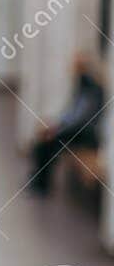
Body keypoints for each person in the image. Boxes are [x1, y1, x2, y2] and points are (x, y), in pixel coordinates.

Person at [28, 52, 106, 196]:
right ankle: (38, 180)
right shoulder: (82, 85)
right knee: (43, 139)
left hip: (84, 134)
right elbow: (71, 112)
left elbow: (81, 119)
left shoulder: (92, 89)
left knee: (48, 142)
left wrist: (58, 130)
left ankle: (42, 185)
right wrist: (57, 124)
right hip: (75, 130)